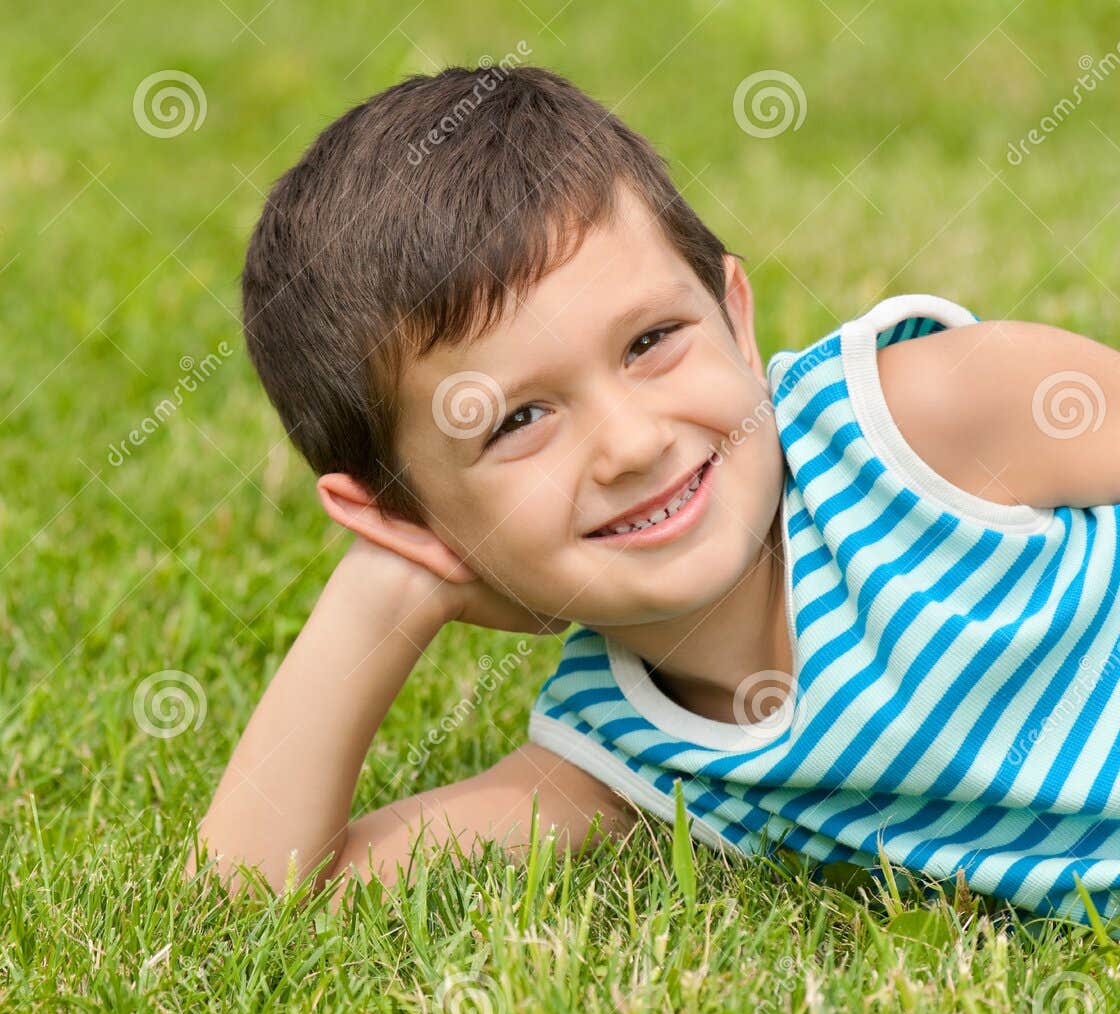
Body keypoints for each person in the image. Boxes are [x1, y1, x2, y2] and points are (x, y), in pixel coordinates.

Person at [190, 65, 1120, 926]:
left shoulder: (928, 421)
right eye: (517, 420)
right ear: (402, 515)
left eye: (650, 342)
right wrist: (387, 591)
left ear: (735, 318)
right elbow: (252, 897)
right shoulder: (633, 758)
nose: (632, 444)